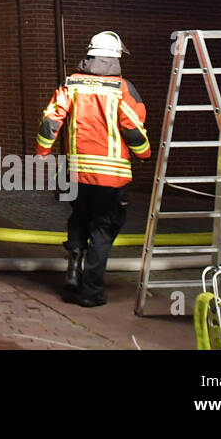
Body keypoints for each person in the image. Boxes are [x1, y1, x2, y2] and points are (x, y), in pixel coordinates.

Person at [35, 31, 150, 307]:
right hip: (111, 178)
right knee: (103, 228)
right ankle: (91, 292)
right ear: (117, 58)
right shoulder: (122, 88)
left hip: (76, 173)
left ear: (89, 56)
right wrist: (144, 153)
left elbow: (51, 120)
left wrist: (42, 153)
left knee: (78, 218)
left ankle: (72, 275)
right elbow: (133, 127)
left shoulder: (71, 84)